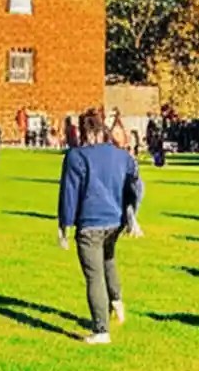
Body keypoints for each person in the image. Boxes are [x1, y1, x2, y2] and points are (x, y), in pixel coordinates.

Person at [58, 111, 143, 344]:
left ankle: (101, 330)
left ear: (84, 132)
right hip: (114, 221)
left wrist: (64, 224)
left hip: (90, 223)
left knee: (94, 276)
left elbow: (69, 192)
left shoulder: (76, 156)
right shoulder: (122, 156)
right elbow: (136, 185)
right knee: (108, 260)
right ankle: (116, 302)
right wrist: (132, 215)